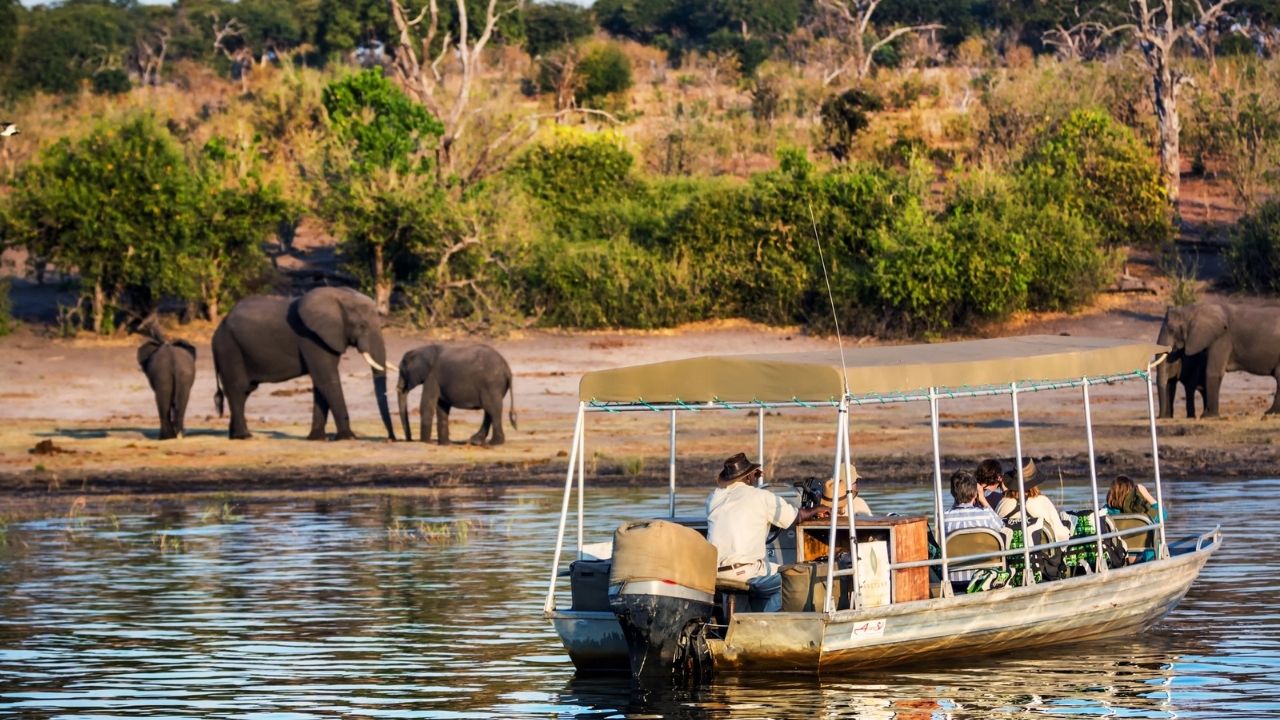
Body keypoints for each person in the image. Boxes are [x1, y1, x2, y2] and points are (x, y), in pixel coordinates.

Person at [706, 452, 828, 612]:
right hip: (745, 571)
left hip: (715, 573)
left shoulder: (713, 498)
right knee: (794, 580)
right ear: (749, 477)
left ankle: (738, 624)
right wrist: (816, 509)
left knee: (753, 581)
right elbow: (796, 516)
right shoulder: (761, 497)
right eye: (754, 476)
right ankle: (764, 621)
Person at [942, 470, 1005, 593]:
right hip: (984, 579)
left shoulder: (944, 517)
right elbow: (1001, 526)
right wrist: (982, 499)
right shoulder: (986, 514)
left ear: (952, 492)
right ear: (975, 492)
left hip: (954, 581)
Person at [994, 459, 1072, 543]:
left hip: (1009, 555)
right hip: (1041, 554)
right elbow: (1061, 535)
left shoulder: (1002, 503)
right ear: (1035, 481)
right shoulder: (1042, 501)